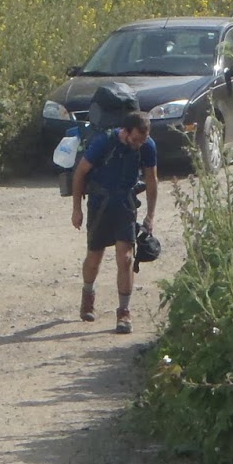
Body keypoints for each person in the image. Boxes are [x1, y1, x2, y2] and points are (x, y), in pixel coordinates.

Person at [71, 111, 158, 334]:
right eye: (136, 138)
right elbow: (80, 173)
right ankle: (88, 294)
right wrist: (77, 210)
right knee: (94, 257)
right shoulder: (103, 143)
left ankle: (124, 312)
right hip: (99, 204)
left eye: (143, 139)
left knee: (126, 258)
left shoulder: (148, 147)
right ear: (126, 131)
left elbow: (151, 179)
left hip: (125, 205)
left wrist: (150, 215)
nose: (139, 144)